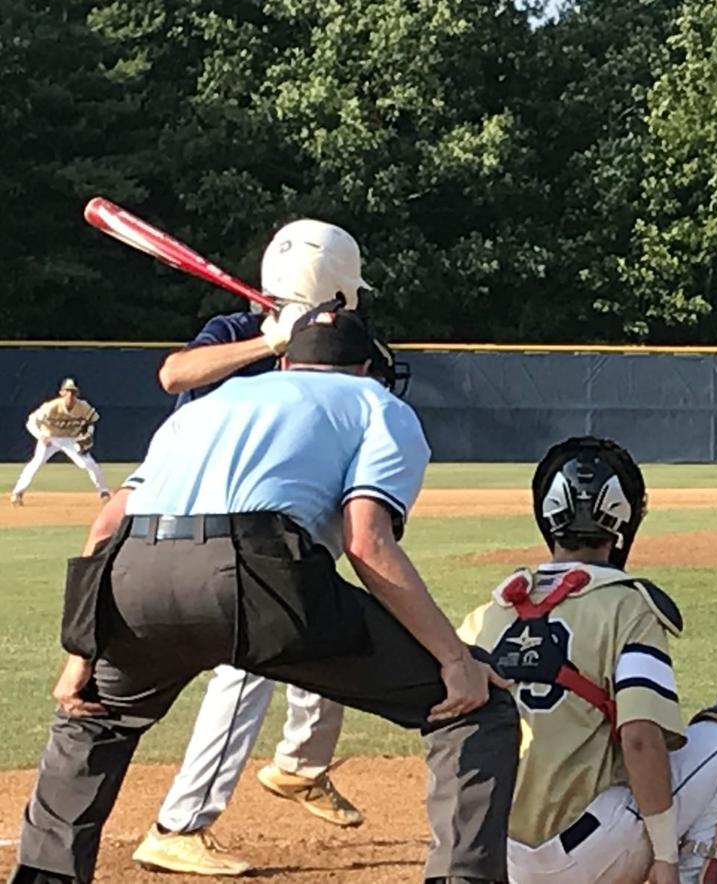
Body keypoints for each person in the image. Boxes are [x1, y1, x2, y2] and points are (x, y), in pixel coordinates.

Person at [9, 307, 518, 884]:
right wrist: (456, 659)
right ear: (368, 366)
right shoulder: (377, 404)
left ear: (284, 360)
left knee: (91, 718)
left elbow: (106, 527)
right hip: (263, 579)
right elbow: (366, 541)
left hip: (135, 573)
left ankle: (43, 877)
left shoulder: (206, 409)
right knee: (475, 705)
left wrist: (82, 652)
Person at [131, 220, 379, 876]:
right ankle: (179, 824)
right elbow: (175, 374)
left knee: (324, 617)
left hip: (285, 518)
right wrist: (267, 340)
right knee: (250, 661)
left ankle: (300, 764)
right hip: (213, 518)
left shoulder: (339, 338)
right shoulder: (237, 327)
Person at [458, 436, 717, 884]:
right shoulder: (627, 607)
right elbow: (639, 740)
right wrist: (665, 857)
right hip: (592, 853)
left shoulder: (488, 613)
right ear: (623, 519)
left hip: (501, 857)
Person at [10, 379, 109, 506]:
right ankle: (17, 493)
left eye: (73, 392)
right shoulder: (51, 407)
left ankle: (104, 493)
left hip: (70, 439)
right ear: (61, 392)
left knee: (89, 464)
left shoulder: (83, 406)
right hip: (50, 438)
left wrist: (89, 433)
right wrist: (40, 435)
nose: (70, 395)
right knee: (36, 462)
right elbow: (31, 421)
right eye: (67, 391)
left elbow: (91, 422)